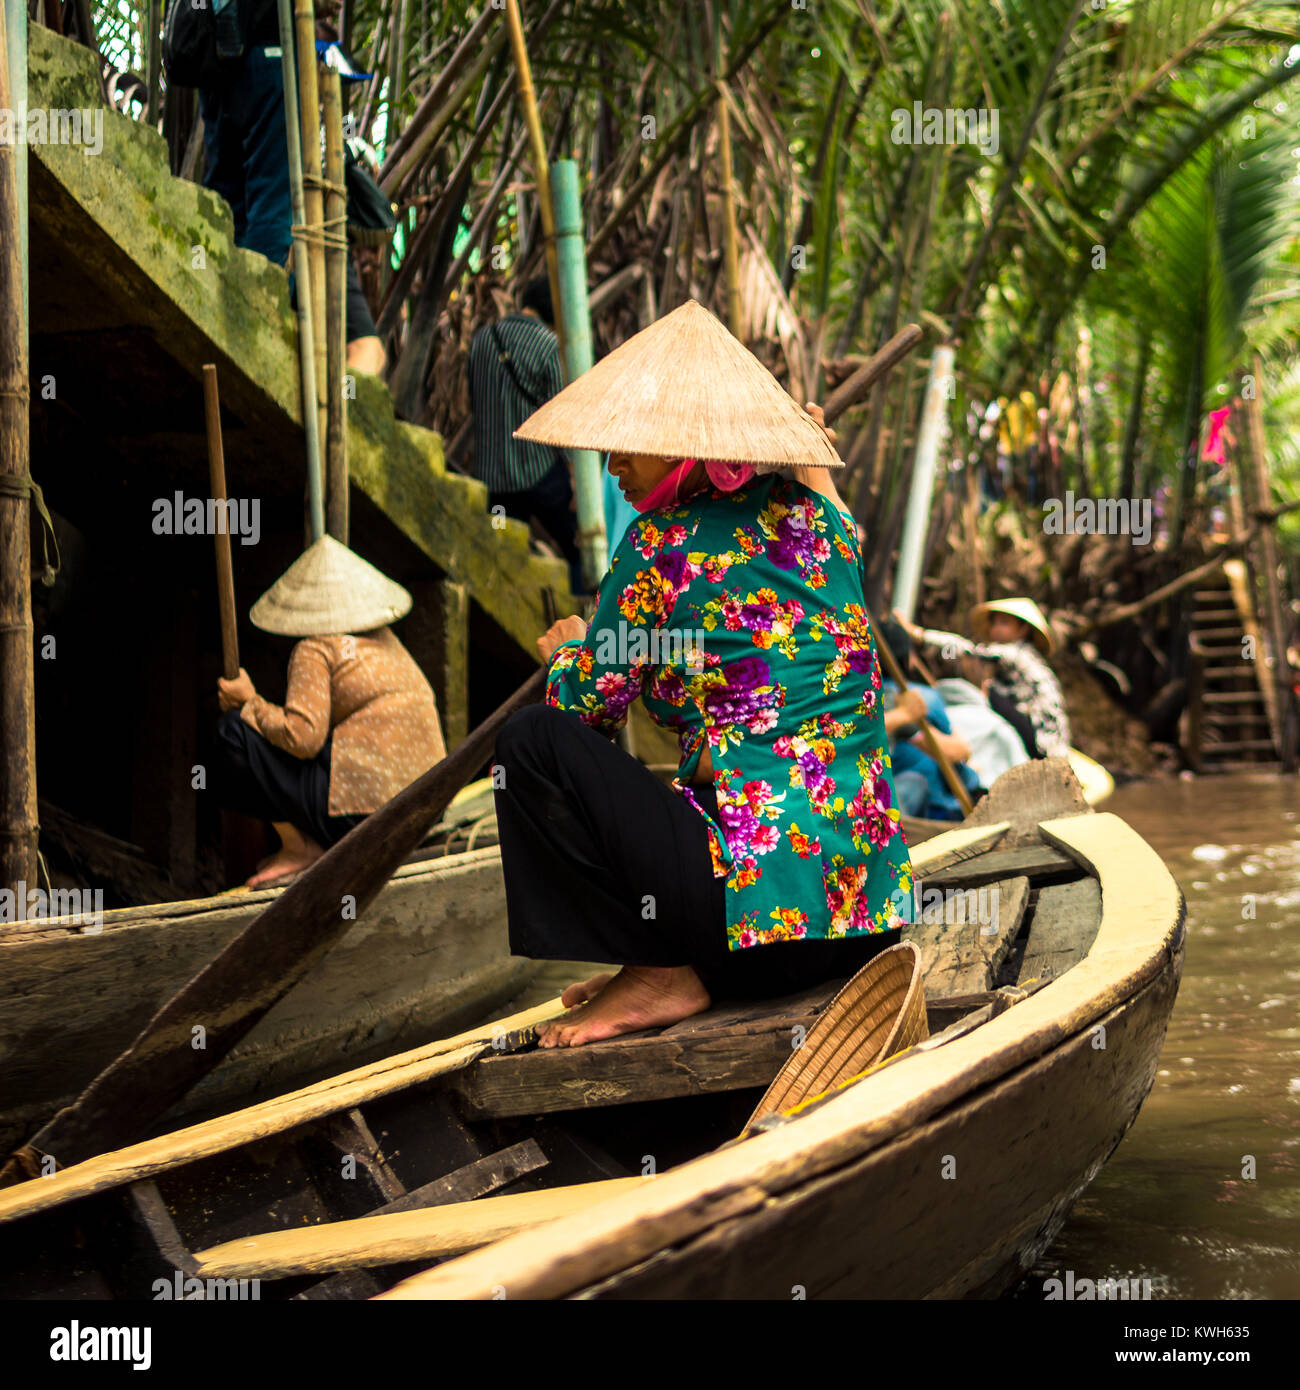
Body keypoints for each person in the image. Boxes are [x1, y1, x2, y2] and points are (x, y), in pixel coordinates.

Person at [489, 299, 915, 1049]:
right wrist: (807, 456)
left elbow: (589, 707)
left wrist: (568, 651)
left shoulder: (660, 545)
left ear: (689, 448)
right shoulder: (826, 522)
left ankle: (662, 969)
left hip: (756, 933)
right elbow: (719, 644)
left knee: (530, 741)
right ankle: (663, 960)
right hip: (866, 926)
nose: (614, 462)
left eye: (634, 445)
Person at [212, 535, 446, 887]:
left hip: (364, 816)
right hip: (426, 806)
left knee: (232, 732)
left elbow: (302, 738)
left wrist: (250, 703)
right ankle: (303, 841)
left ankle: (298, 846)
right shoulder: (387, 640)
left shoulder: (316, 647)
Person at [196, 0, 387, 374]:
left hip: (220, 58)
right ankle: (251, 329)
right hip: (268, 52)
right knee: (271, 211)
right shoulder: (280, 83)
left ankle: (224, 316)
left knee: (227, 208)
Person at [468, 278, 585, 595]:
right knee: (579, 548)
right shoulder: (548, 346)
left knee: (499, 553)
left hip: (496, 490)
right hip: (543, 481)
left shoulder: (481, 340)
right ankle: (583, 619)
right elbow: (561, 419)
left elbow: (473, 403)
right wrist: (578, 482)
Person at [895, 598, 1070, 758]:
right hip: (1044, 738)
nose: (995, 629)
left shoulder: (1016, 654)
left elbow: (967, 652)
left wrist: (921, 636)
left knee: (989, 692)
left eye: (1004, 623)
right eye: (994, 623)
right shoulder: (1025, 658)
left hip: (1041, 740)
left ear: (1023, 629)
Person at [873, 619, 981, 821]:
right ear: (909, 659)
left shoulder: (859, 699)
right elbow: (957, 751)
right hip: (928, 805)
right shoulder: (921, 697)